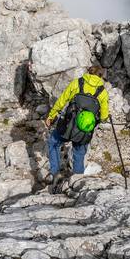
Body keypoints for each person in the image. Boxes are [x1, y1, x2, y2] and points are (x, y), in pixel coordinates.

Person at [44, 64, 110, 193]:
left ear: (88, 72)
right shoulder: (102, 92)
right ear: (100, 76)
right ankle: (76, 184)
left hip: (68, 124)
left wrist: (51, 116)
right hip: (84, 130)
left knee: (53, 143)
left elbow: (62, 101)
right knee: (79, 153)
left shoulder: (77, 83)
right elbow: (104, 117)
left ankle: (55, 172)